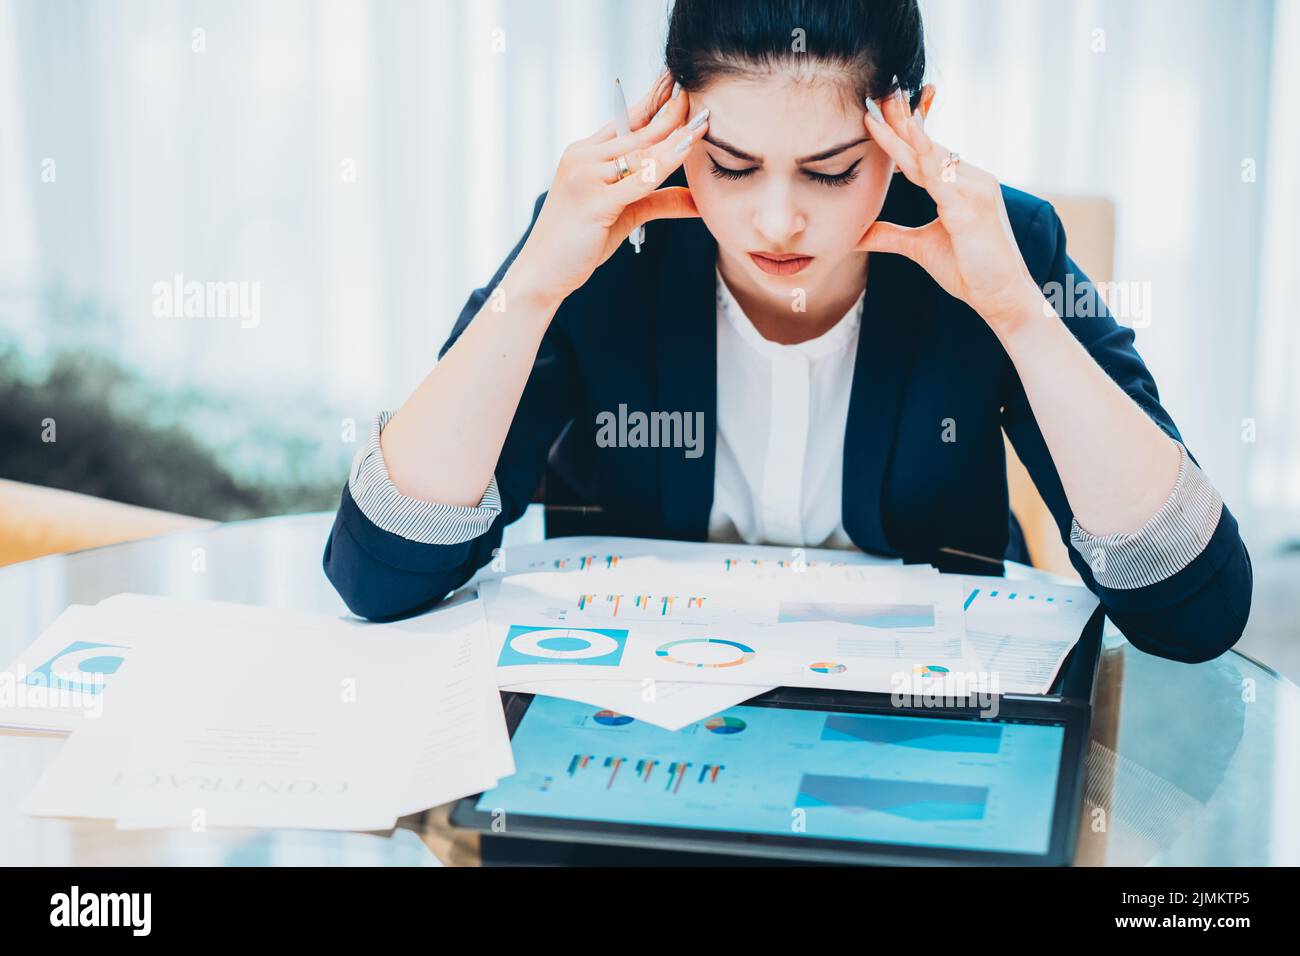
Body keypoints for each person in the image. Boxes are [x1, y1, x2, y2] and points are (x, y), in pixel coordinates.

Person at [323, 0, 1251, 663]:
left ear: (907, 126)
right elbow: (378, 574)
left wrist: (1017, 312)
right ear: (675, 123)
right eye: (729, 165)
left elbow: (1194, 612)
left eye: (831, 171)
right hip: (637, 717)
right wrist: (532, 285)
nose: (775, 222)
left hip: (925, 725)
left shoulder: (998, 245)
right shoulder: (605, 244)